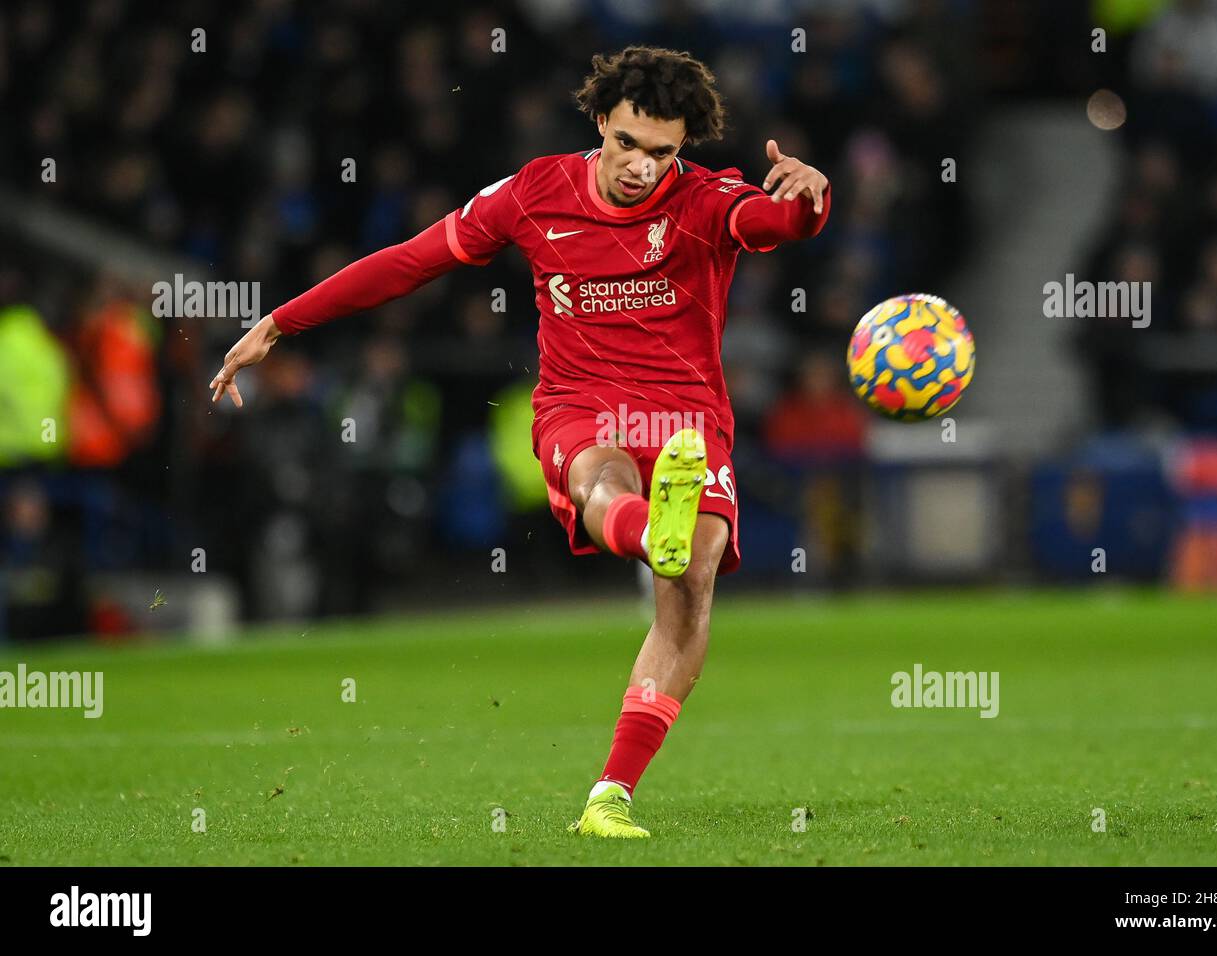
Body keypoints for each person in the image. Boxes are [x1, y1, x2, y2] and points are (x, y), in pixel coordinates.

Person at [210, 46, 830, 838]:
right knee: (602, 480)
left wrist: (812, 195)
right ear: (601, 123)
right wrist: (281, 321)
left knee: (692, 590)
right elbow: (411, 262)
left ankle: (610, 796)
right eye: (627, 144)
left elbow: (777, 218)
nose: (642, 167)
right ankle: (650, 531)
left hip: (683, 416)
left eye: (663, 152)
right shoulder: (535, 192)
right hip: (582, 404)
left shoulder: (707, 200)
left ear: (685, 149)